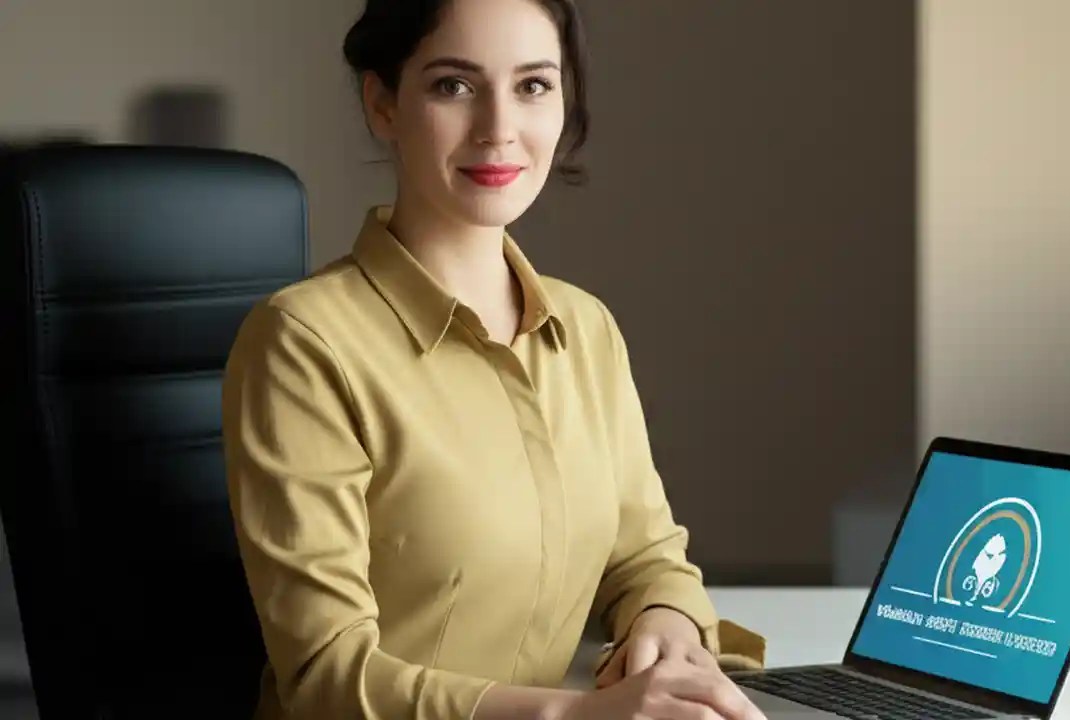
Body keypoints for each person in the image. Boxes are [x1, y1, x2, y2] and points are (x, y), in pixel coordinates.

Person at [220, 0, 767, 718]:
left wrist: (663, 622)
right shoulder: (302, 343)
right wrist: (577, 715)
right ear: (382, 104)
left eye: (533, 86)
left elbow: (646, 558)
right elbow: (328, 677)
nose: (499, 130)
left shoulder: (585, 327)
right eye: (454, 85)